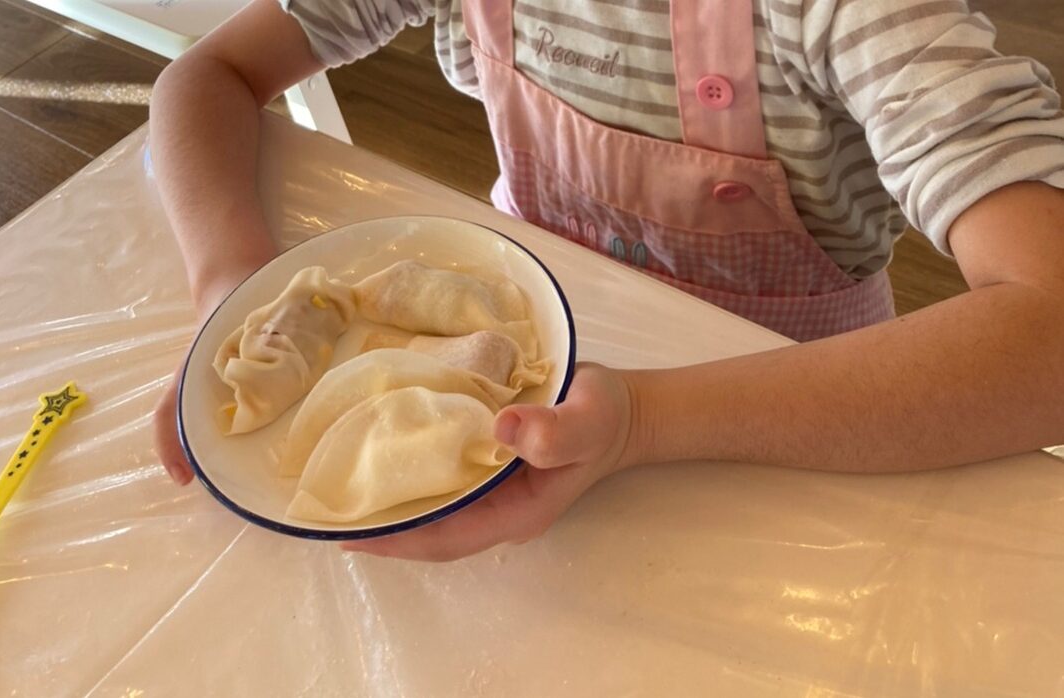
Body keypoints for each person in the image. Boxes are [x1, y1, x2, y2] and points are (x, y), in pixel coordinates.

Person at [150, 0, 1064, 561]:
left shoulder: (857, 14)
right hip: (518, 339)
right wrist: (235, 294)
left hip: (801, 404)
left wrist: (643, 422)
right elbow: (207, 78)